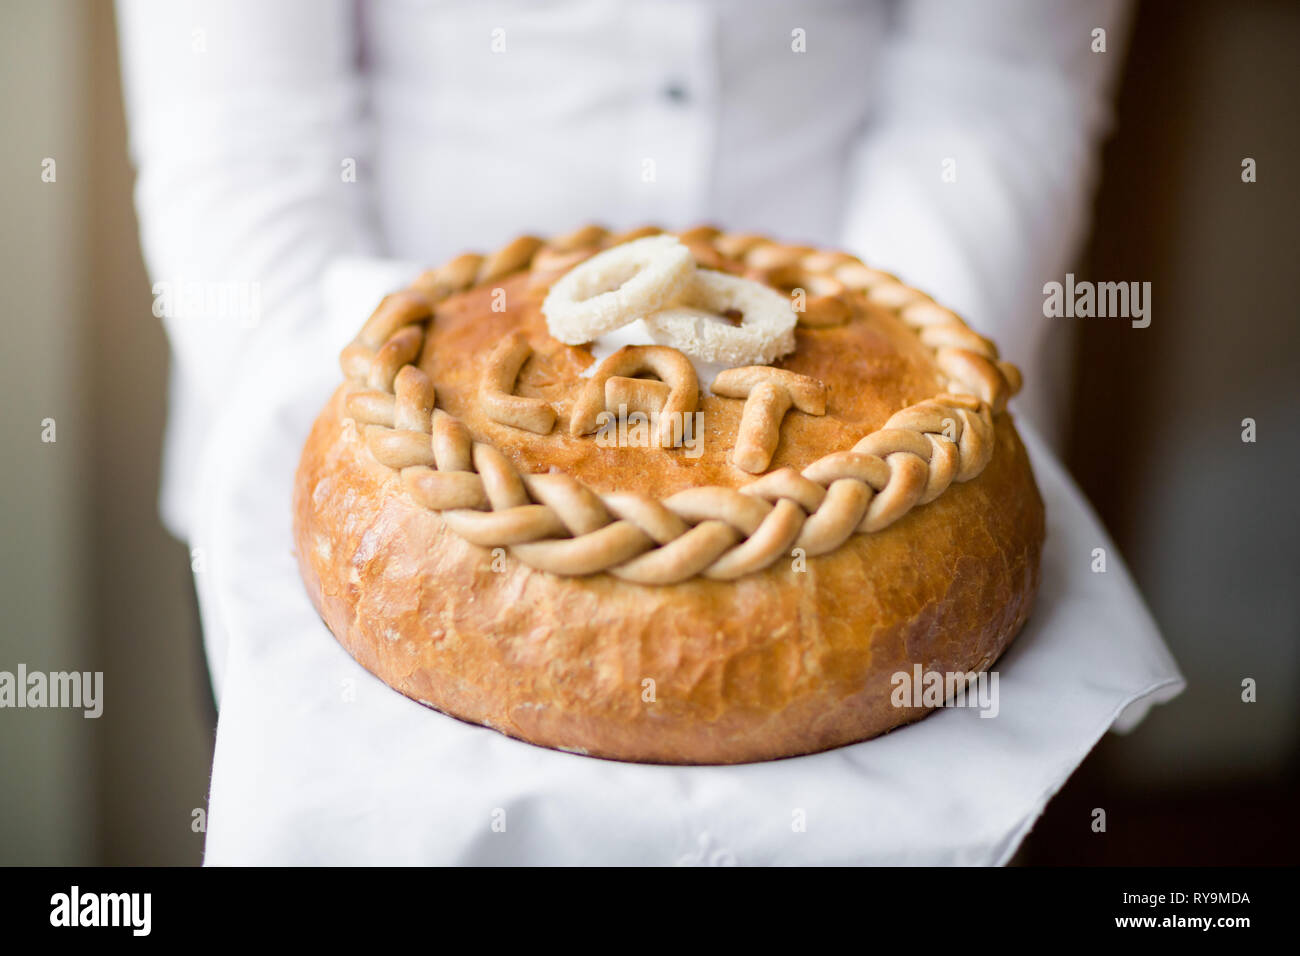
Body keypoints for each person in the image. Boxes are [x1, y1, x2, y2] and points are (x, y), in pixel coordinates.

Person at [117, 0, 1130, 544]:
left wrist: (872, 475)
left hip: (856, 395)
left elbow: (997, 89)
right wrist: (400, 496)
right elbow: (241, 137)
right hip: (339, 402)